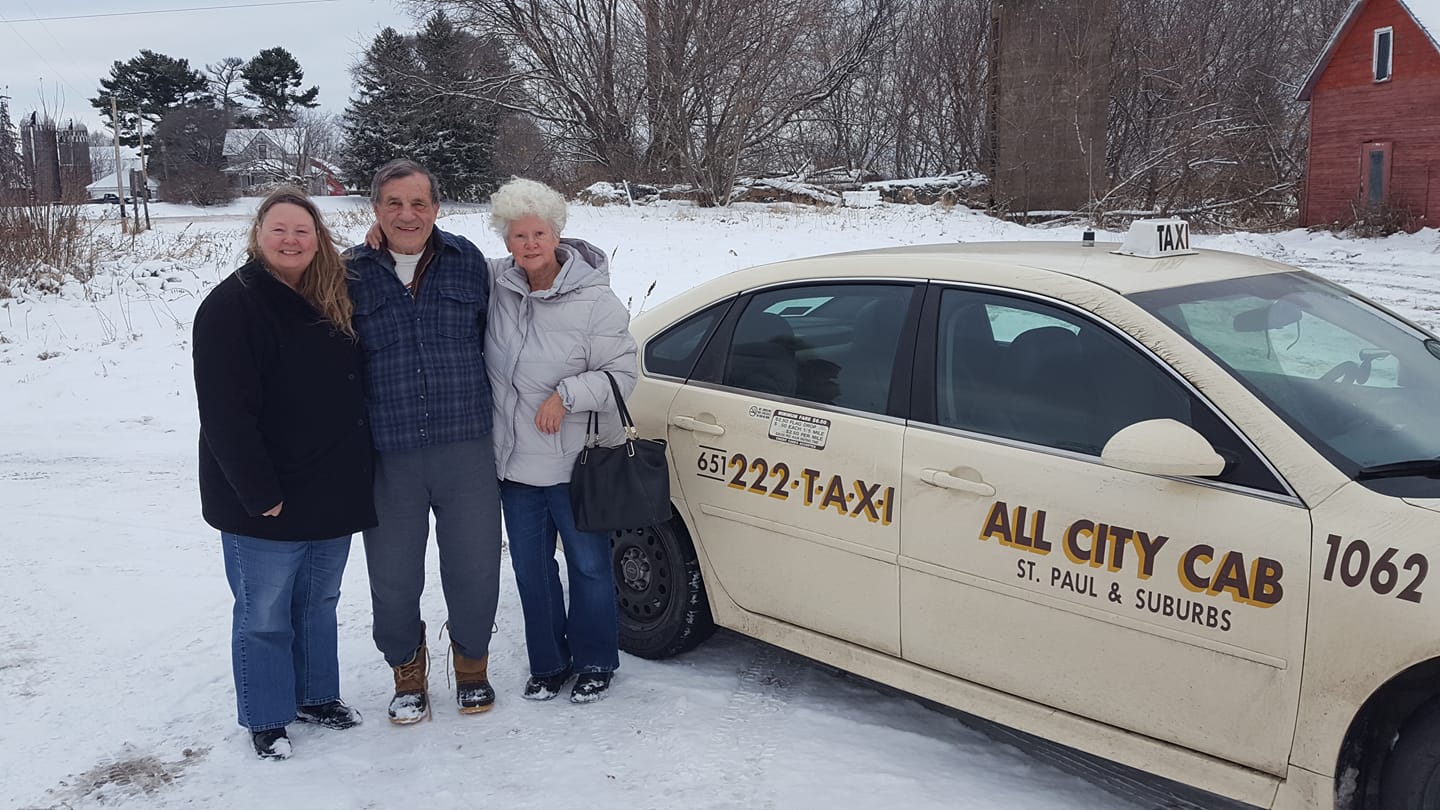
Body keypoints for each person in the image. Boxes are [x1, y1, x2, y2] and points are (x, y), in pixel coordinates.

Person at [192, 187, 376, 760]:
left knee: (318, 601)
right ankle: (268, 714)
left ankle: (317, 695)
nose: (291, 240)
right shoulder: (233, 305)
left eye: (303, 230)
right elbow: (224, 412)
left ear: (319, 238)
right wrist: (257, 491)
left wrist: (375, 243)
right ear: (259, 235)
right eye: (280, 230)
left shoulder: (334, 292)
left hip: (331, 485)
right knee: (265, 613)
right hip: (267, 492)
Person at [347, 159, 503, 723]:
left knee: (475, 567)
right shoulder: (349, 273)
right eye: (394, 204)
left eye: (419, 204)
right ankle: (406, 671)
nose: (407, 215)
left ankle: (471, 667)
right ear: (376, 210)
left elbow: (547, 258)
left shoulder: (471, 265)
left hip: (465, 445)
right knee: (392, 577)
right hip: (389, 453)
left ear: (437, 208)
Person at [486, 178, 637, 703]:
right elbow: (435, 258)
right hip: (514, 466)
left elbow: (624, 374)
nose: (530, 244)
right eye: (519, 235)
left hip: (575, 465)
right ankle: (548, 663)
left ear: (557, 234)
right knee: (531, 569)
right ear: (506, 241)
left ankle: (596, 661)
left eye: (539, 233)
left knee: (590, 566)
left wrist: (568, 394)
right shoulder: (497, 288)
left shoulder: (596, 300)